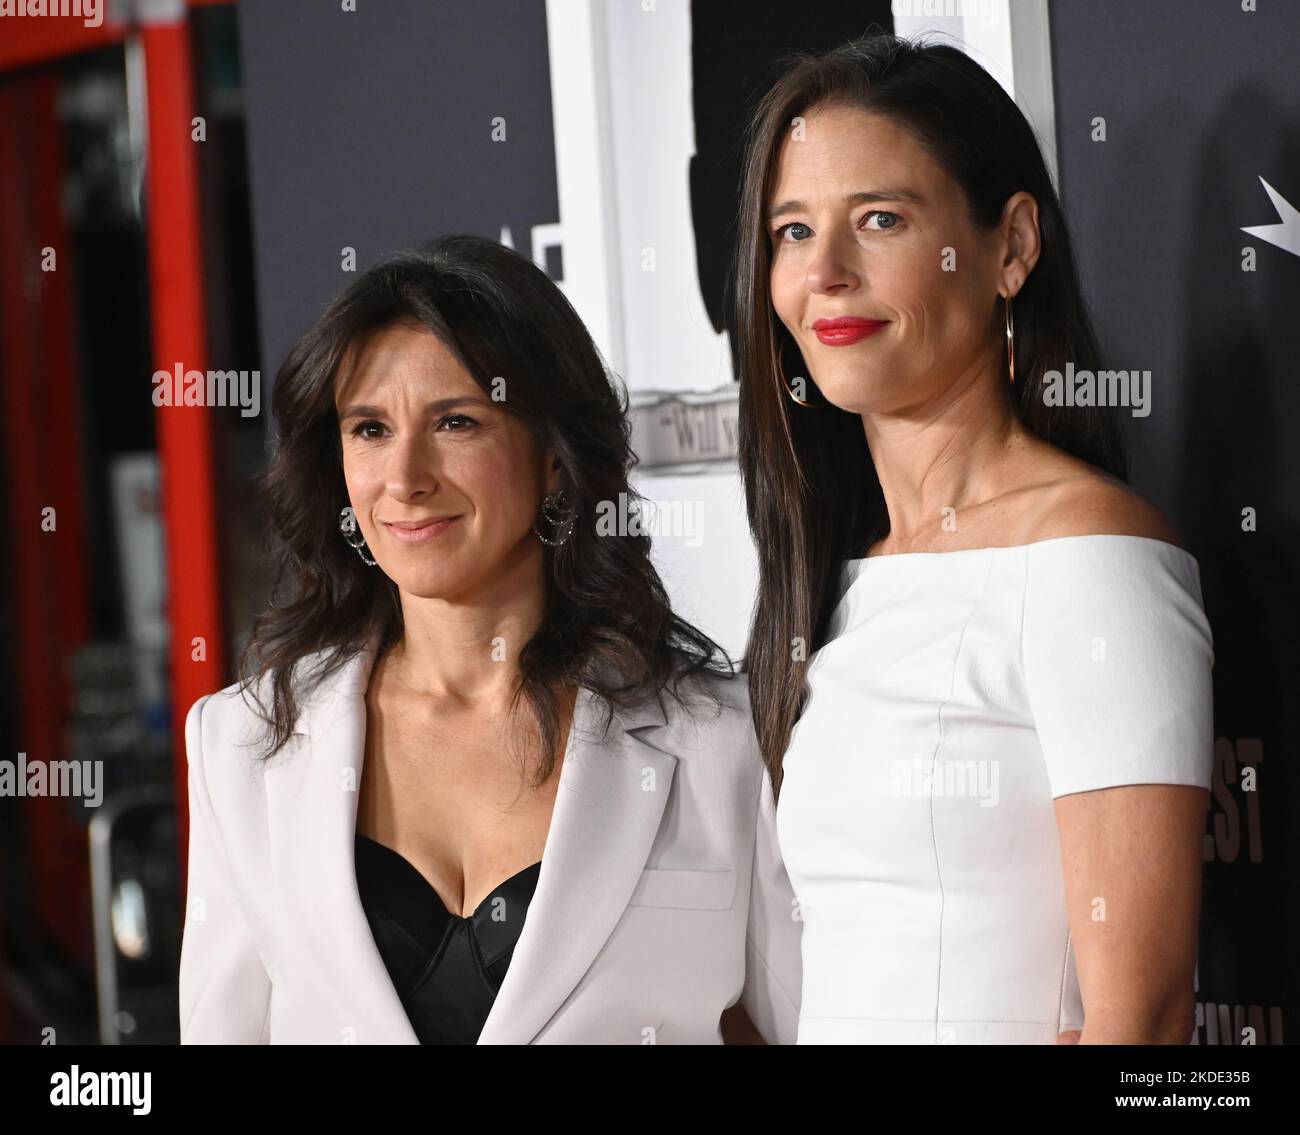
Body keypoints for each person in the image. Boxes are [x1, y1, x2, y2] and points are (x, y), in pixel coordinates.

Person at [179, 235, 801, 1044]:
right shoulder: (242, 746)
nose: (404, 477)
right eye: (369, 428)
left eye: (457, 422)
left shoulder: (724, 742)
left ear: (553, 458)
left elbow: (822, 1021)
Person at [732, 35, 1213, 1044]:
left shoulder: (1090, 557)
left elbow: (1148, 1020)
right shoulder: (834, 578)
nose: (823, 272)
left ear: (1010, 247)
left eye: (879, 219)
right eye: (790, 231)